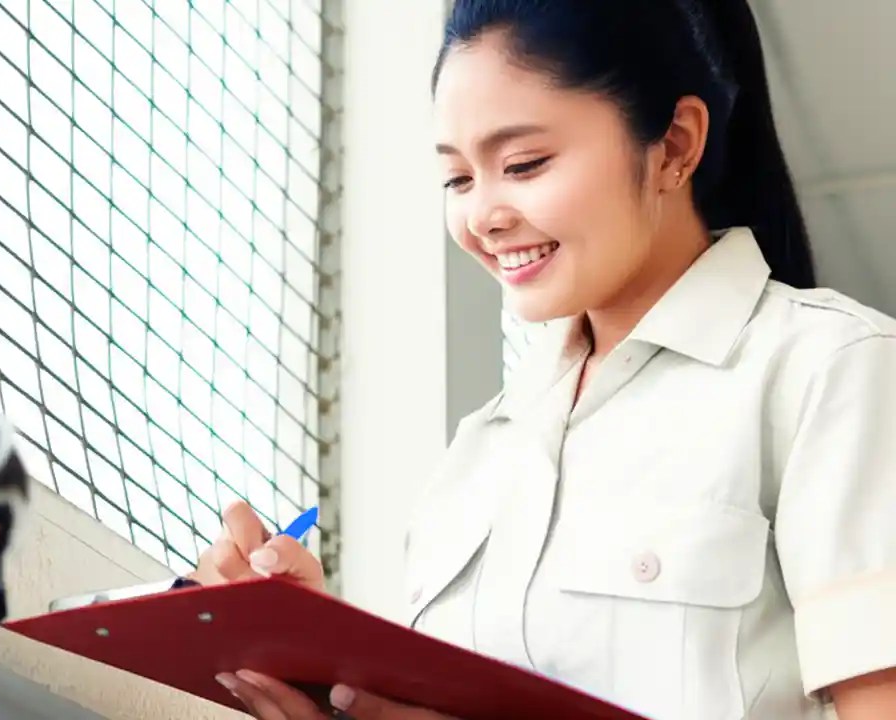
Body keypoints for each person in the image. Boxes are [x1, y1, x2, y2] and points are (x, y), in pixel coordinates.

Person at [189, 0, 896, 718]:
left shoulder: (830, 369)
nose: (483, 216)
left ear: (676, 145)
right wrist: (322, 665)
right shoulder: (478, 455)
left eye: (523, 164)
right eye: (458, 180)